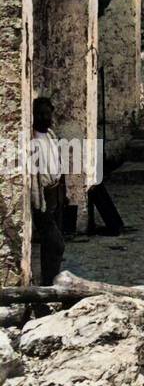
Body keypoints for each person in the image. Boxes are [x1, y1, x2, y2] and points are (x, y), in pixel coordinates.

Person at [29, 97, 66, 286]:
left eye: (47, 114)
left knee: (49, 245)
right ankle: (50, 283)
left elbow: (59, 165)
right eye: (40, 114)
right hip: (42, 198)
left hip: (55, 194)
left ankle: (50, 281)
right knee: (56, 243)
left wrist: (64, 194)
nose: (45, 117)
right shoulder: (32, 139)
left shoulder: (51, 136)